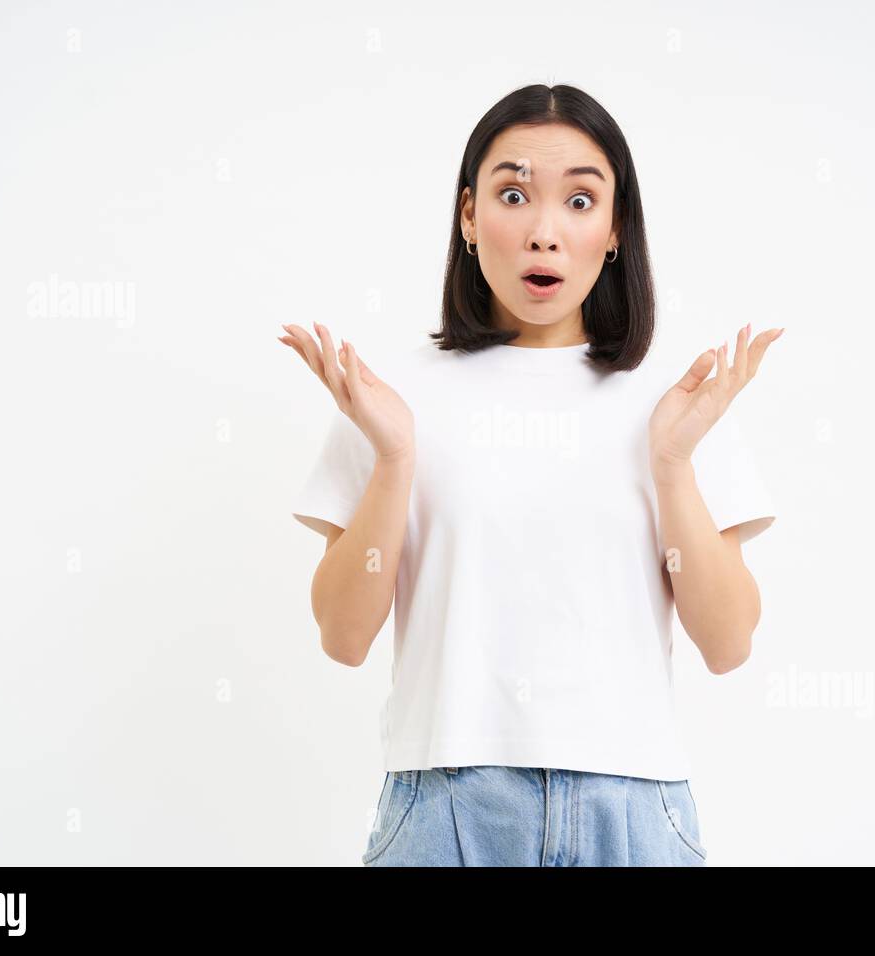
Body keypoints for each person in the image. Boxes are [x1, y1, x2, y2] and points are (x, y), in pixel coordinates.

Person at [277, 83, 782, 866]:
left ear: (616, 228)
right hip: (443, 810)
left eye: (581, 202)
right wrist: (395, 460)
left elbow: (728, 644)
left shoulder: (677, 403)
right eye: (513, 194)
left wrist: (674, 465)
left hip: (634, 811)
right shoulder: (389, 402)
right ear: (469, 215)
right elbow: (343, 637)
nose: (545, 233)